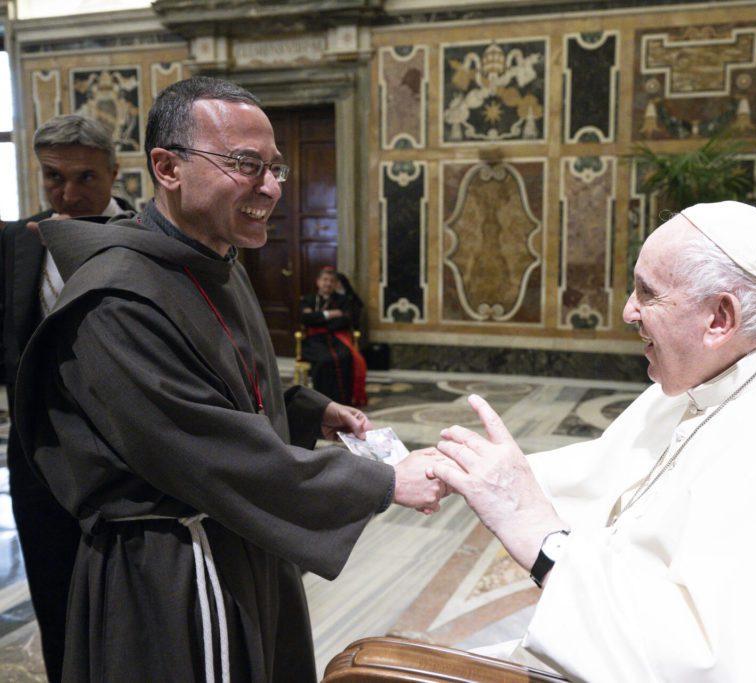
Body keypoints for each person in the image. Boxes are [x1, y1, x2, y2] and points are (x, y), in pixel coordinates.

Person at [14, 76, 446, 682]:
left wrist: (306, 410)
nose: (270, 188)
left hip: (237, 542)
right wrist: (379, 482)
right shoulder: (117, 299)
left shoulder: (211, 257)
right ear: (167, 167)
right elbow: (207, 451)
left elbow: (218, 383)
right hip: (178, 572)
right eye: (245, 164)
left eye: (275, 168)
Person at [430, 201, 756, 681]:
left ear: (720, 318)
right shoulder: (714, 374)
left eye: (647, 293)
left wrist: (544, 543)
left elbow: (723, 666)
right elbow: (608, 467)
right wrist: (465, 472)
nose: (628, 311)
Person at [0, 114, 134, 682]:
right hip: (40, 462)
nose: (69, 194)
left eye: (85, 178)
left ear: (114, 172)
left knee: (132, 606)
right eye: (54, 178)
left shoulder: (148, 237)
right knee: (56, 602)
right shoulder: (15, 244)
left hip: (129, 463)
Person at [300, 267, 367, 406]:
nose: (328, 284)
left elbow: (347, 319)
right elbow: (305, 318)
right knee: (324, 361)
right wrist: (330, 315)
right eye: (325, 280)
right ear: (318, 282)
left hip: (337, 338)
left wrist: (318, 319)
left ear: (336, 284)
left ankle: (343, 401)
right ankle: (322, 402)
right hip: (314, 341)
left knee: (345, 357)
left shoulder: (343, 300)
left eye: (331, 281)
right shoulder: (308, 299)